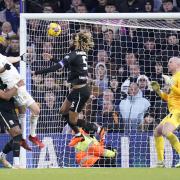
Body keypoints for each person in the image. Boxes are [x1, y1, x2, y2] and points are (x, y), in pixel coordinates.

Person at [34, 32, 105, 144]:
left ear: (76, 42)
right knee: (63, 111)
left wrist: (38, 72)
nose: (69, 42)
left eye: (71, 40)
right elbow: (69, 64)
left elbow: (58, 67)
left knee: (73, 120)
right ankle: (78, 134)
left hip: (81, 91)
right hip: (77, 90)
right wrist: (53, 58)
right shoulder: (81, 53)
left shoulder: (73, 54)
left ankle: (98, 129)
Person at [0, 53, 44, 149]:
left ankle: (29, 137)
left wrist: (20, 58)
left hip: (19, 84)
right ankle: (27, 137)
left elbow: (7, 59)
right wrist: (4, 68)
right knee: (31, 110)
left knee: (31, 110)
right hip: (13, 85)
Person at [151, 56, 180, 168]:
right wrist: (158, 91)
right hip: (173, 111)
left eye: (170, 62)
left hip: (178, 111)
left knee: (166, 131)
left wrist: (171, 85)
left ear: (178, 64)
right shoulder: (173, 78)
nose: (168, 64)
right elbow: (169, 98)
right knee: (157, 132)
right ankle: (160, 162)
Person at [0, 79, 30, 168]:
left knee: (19, 136)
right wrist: (17, 85)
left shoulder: (5, 79)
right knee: (17, 133)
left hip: (11, 109)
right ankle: (16, 164)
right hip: (2, 111)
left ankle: (2, 155)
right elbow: (6, 96)